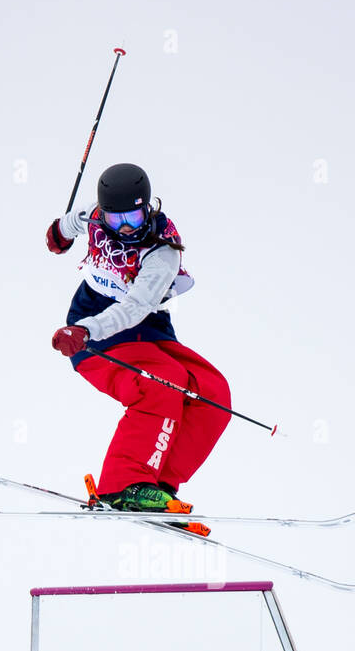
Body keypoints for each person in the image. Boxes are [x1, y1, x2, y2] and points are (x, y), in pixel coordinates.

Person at [46, 162, 232, 512]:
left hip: (138, 325)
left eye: (134, 216)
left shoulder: (163, 253)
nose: (126, 227)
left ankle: (157, 484)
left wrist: (88, 330)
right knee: (161, 384)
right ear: (105, 214)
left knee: (212, 392)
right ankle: (123, 484)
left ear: (148, 207)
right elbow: (68, 224)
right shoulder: (95, 216)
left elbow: (134, 307)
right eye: (117, 220)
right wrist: (59, 234)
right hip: (94, 329)